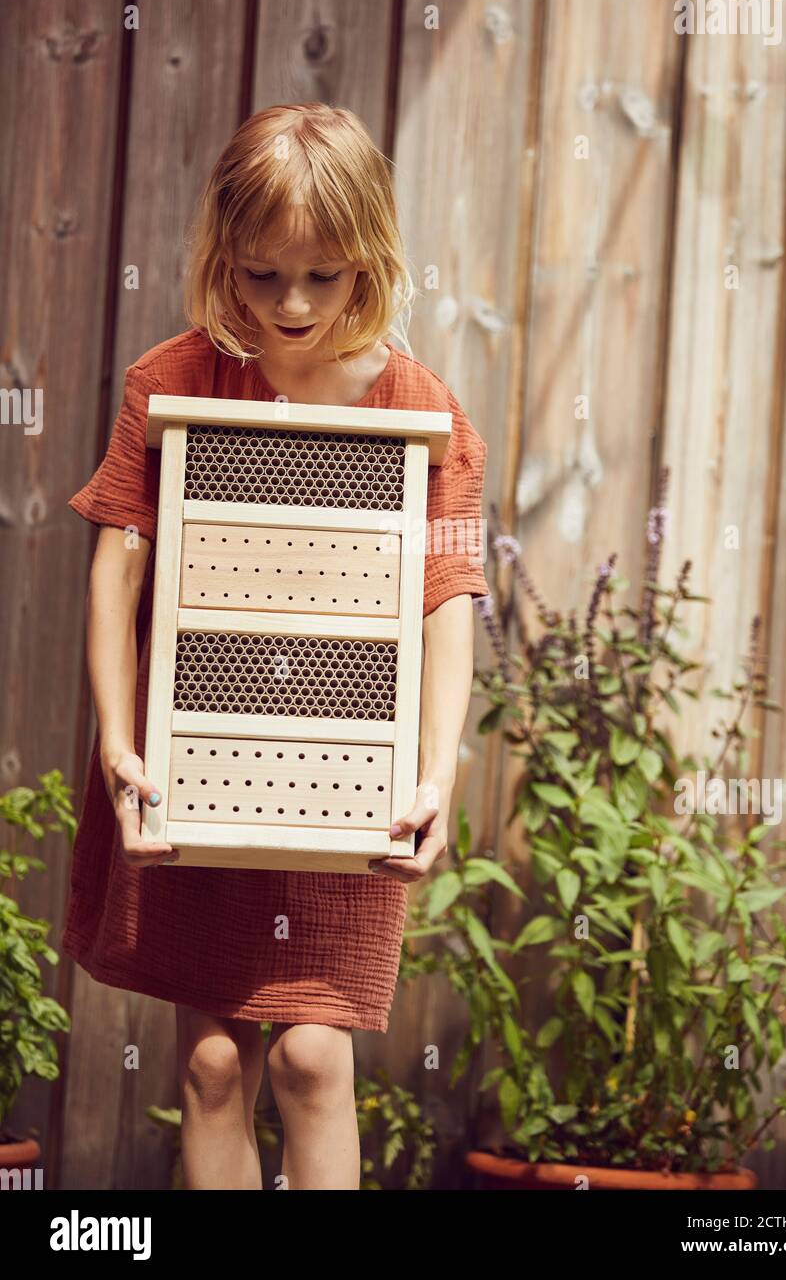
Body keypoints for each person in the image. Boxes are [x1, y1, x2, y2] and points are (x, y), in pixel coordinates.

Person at [63, 103, 489, 1189]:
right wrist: (122, 744)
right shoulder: (174, 380)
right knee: (211, 1062)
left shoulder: (422, 409)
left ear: (371, 264)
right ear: (222, 257)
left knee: (310, 1056)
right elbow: (119, 569)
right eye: (260, 276)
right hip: (194, 756)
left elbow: (448, 599)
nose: (290, 304)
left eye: (324, 276)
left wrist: (436, 771)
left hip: (344, 777)